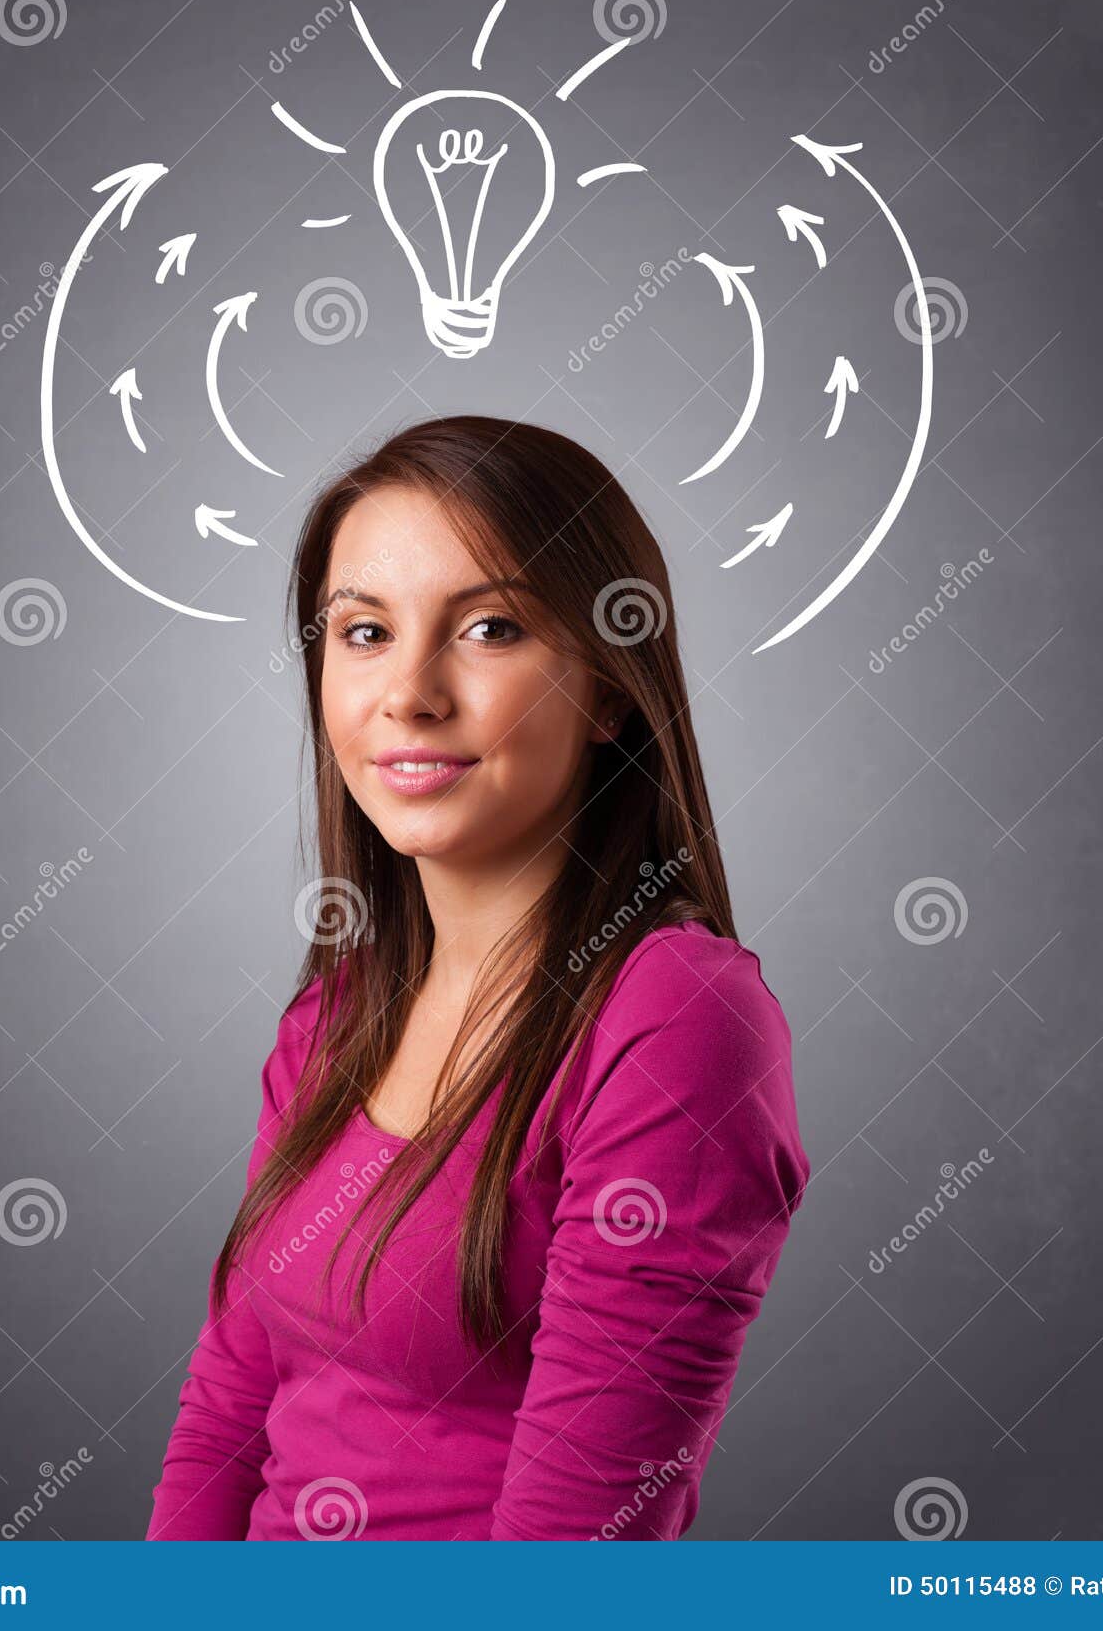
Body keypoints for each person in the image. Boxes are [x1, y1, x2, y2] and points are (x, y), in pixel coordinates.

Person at [145, 415, 811, 1541]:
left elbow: (572, 1548)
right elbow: (228, 1410)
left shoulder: (677, 1018)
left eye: (489, 627)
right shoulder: (335, 1013)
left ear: (607, 691)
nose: (408, 692)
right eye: (363, 632)